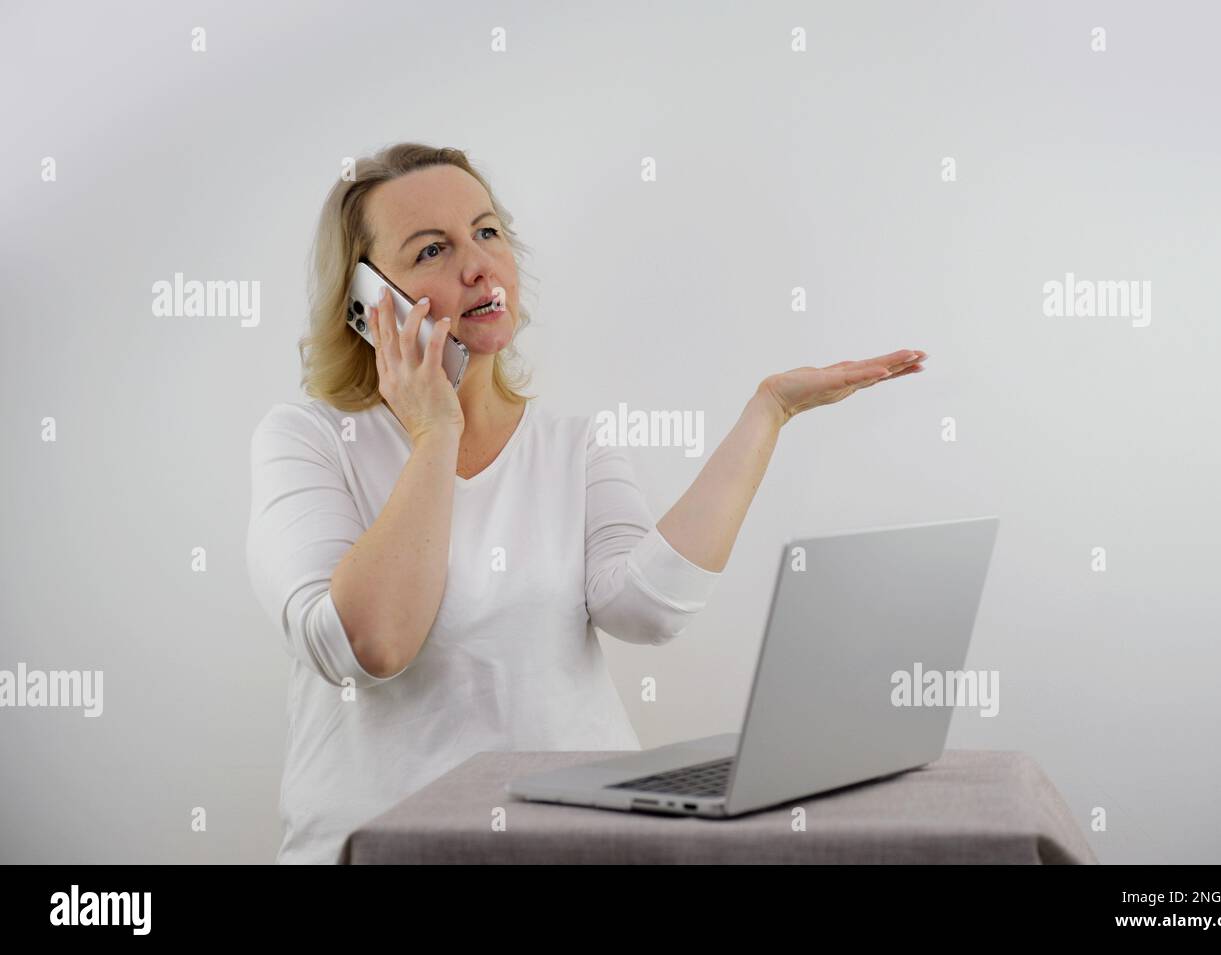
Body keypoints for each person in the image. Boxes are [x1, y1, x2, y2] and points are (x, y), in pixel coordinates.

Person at [244, 142, 928, 864]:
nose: (477, 264)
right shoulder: (308, 440)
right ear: (366, 301)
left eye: (487, 232)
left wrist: (768, 413)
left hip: (573, 843)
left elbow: (647, 607)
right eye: (432, 250)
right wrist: (435, 428)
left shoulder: (573, 445)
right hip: (389, 849)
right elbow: (370, 643)